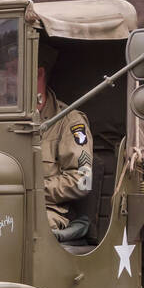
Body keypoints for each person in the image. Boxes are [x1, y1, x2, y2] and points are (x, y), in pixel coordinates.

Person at [36, 45, 93, 232]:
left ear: (39, 74)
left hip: (47, 210)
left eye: (14, 71)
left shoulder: (70, 122)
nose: (7, 77)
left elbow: (83, 180)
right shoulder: (4, 118)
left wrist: (34, 191)